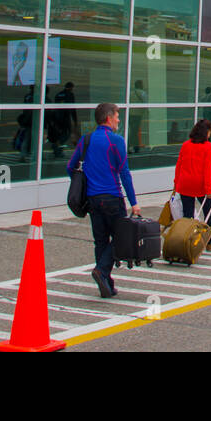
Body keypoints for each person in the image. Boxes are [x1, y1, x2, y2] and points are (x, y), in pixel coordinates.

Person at [67, 102, 142, 297]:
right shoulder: (116, 140)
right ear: (108, 118)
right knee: (120, 237)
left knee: (100, 241)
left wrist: (86, 181)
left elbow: (71, 166)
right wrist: (134, 202)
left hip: (93, 199)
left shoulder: (87, 140)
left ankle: (107, 285)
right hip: (112, 197)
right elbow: (124, 173)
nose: (119, 119)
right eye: (117, 116)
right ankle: (101, 271)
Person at [173, 119, 211, 250]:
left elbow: (179, 165)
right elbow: (207, 170)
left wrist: (176, 183)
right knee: (208, 212)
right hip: (199, 185)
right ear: (207, 132)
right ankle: (210, 241)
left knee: (188, 216)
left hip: (184, 183)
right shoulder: (209, 147)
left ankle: (188, 242)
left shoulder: (186, 145)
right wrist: (209, 190)